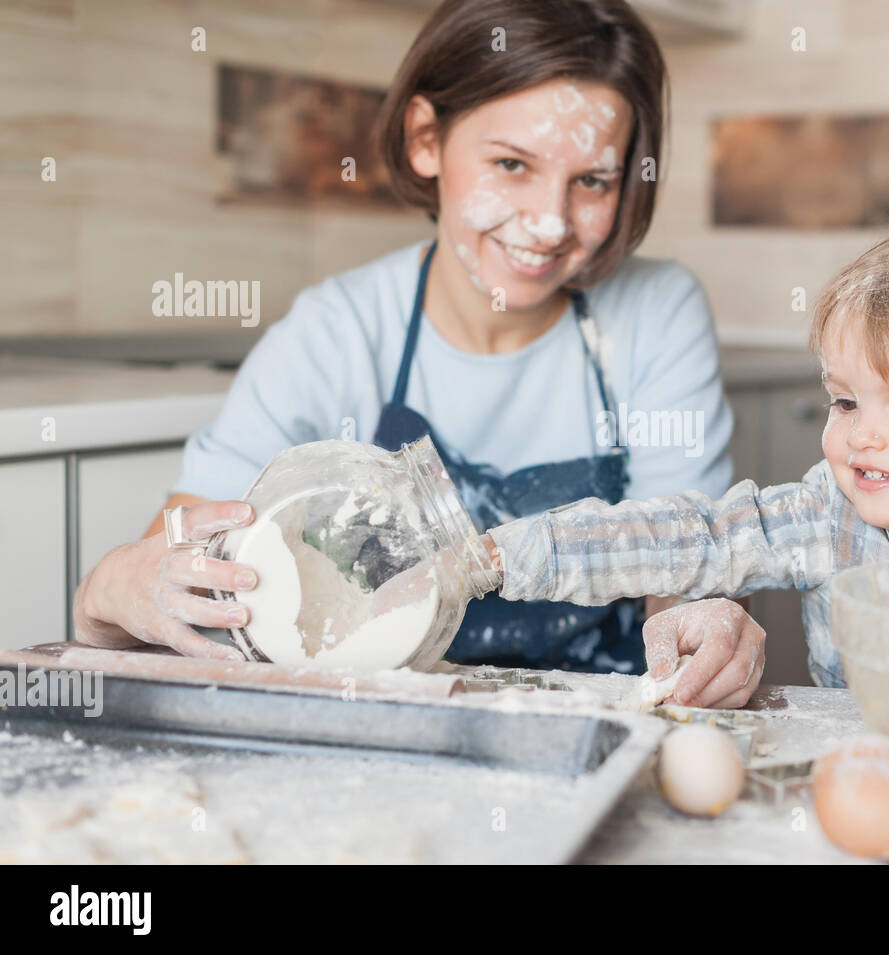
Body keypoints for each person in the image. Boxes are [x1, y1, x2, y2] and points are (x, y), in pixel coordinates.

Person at [72, 0, 759, 700]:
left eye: (592, 181)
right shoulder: (336, 331)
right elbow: (178, 577)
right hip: (378, 733)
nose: (551, 222)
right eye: (512, 164)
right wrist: (107, 596)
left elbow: (683, 567)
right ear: (426, 138)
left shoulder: (657, 313)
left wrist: (707, 626)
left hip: (602, 725)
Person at [478, 220, 889, 688]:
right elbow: (684, 535)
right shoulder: (825, 520)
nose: (863, 435)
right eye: (845, 401)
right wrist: (502, 555)